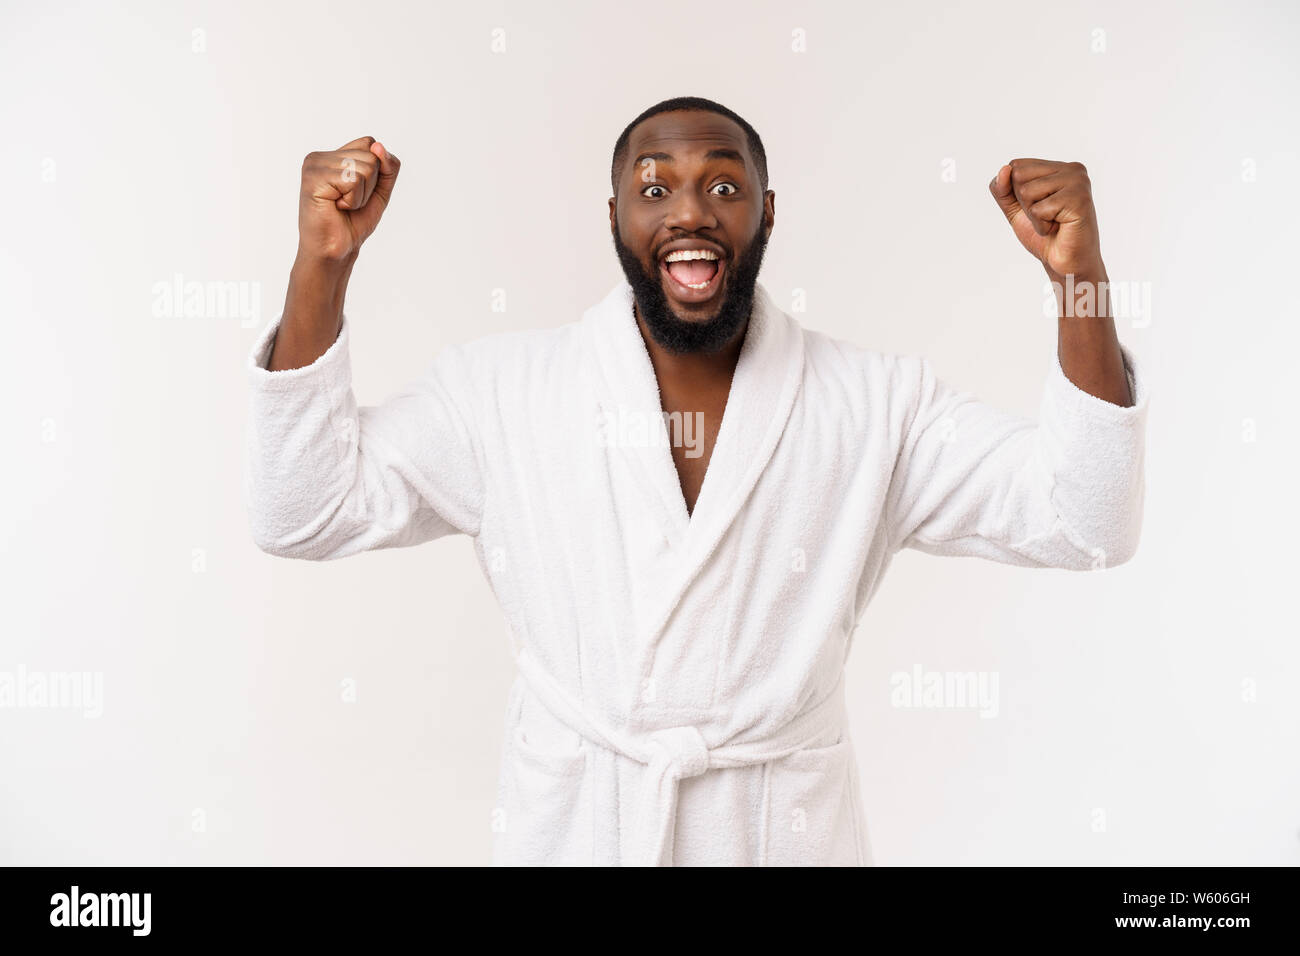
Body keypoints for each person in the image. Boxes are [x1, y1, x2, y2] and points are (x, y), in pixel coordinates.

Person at [245, 96, 1148, 866]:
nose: (690, 211)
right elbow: (304, 510)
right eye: (653, 188)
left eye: (724, 186)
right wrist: (324, 263)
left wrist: (1082, 282)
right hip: (581, 831)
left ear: (767, 213)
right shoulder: (501, 393)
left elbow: (1086, 522)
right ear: (612, 218)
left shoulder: (874, 404)